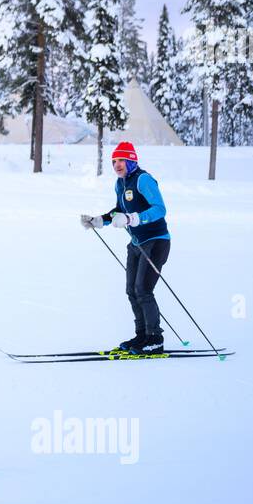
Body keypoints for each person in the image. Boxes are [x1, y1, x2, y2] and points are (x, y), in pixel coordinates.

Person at [80, 140, 171, 354]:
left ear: (131, 161)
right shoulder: (120, 184)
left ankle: (155, 338)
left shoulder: (143, 180)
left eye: (121, 160)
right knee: (131, 290)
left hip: (156, 241)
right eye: (114, 161)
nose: (117, 165)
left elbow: (160, 209)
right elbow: (119, 210)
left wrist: (132, 219)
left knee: (143, 289)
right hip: (137, 243)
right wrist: (99, 220)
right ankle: (142, 336)